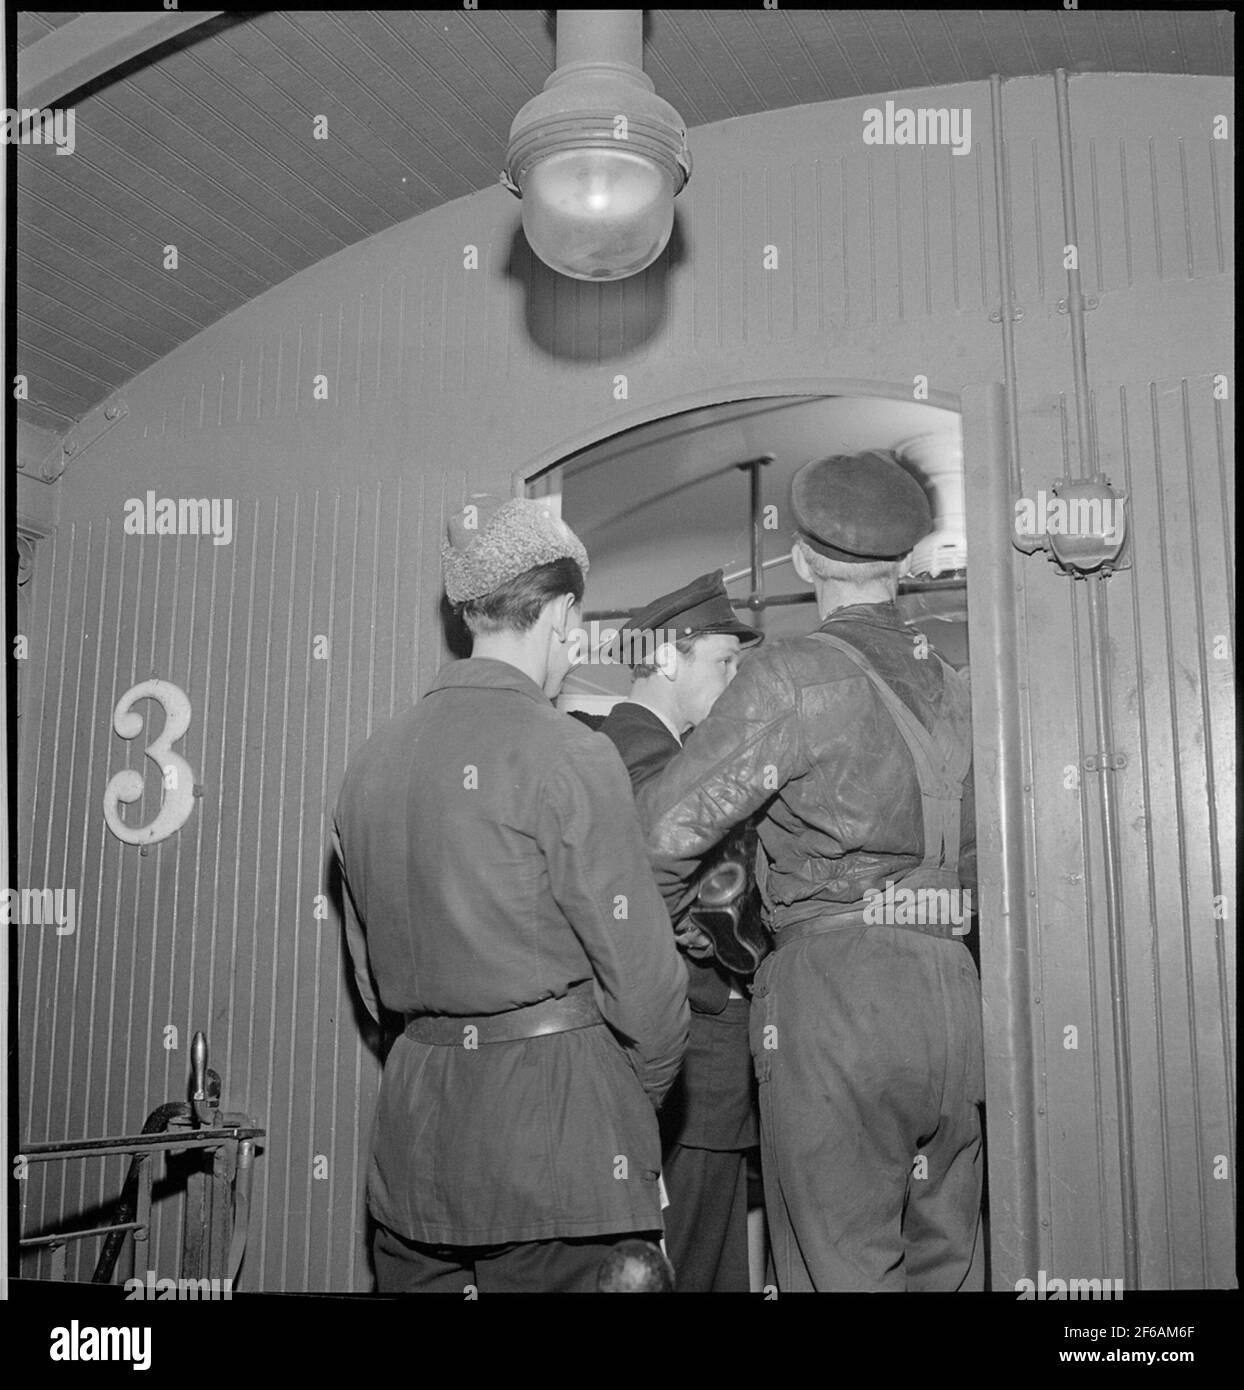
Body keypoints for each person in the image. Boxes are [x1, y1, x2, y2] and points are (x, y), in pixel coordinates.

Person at [639, 451, 983, 1292]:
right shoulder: (963, 685)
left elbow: (659, 836)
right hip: (958, 998)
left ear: (802, 563)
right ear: (904, 565)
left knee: (841, 1269)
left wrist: (704, 944)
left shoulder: (788, 676)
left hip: (836, 1001)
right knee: (952, 1262)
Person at [333, 496, 688, 1293]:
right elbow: (649, 991)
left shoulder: (370, 763)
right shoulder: (572, 755)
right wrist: (622, 1109)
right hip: (559, 1151)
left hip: (414, 1150)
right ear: (562, 613)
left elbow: (368, 981)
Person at [597, 570, 764, 1293]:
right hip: (696, 1052)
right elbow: (700, 907)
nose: (735, 678)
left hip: (682, 1056)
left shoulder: (619, 747)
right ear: (669, 658)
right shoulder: (651, 757)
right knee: (699, 1262)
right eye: (724, 661)